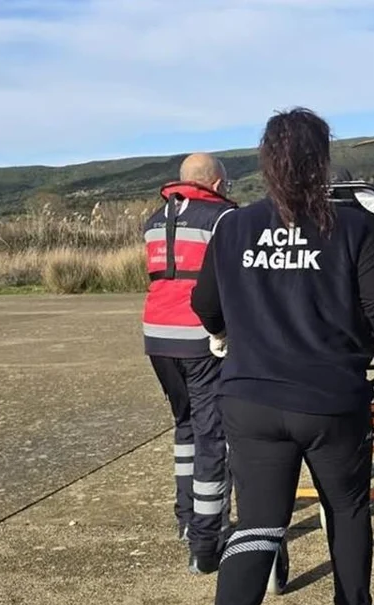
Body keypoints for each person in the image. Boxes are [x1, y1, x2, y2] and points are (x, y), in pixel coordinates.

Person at [191, 108, 374, 605]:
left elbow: (205, 306)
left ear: (267, 162)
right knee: (347, 507)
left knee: (258, 522)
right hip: (329, 398)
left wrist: (235, 331)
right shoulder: (352, 226)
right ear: (322, 162)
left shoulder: (232, 227)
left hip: (250, 396)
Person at [140, 152, 236, 574]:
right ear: (216, 184)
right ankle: (206, 539)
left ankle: (185, 518)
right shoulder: (222, 218)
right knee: (212, 435)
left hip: (157, 337)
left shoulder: (154, 220)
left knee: (185, 428)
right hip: (200, 338)